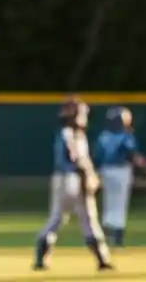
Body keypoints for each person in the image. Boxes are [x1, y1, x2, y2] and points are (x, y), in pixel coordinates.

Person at [32, 96, 114, 272]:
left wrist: (90, 174)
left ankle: (42, 257)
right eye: (81, 113)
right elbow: (74, 158)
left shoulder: (76, 134)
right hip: (70, 178)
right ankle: (101, 259)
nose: (84, 116)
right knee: (81, 218)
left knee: (67, 218)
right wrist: (90, 176)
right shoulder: (68, 133)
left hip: (69, 178)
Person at [95, 106, 146, 247]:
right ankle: (117, 237)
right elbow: (131, 154)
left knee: (108, 202)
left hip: (105, 170)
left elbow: (97, 156)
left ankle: (105, 234)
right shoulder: (125, 136)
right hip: (121, 170)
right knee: (119, 203)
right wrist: (144, 166)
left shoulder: (103, 136)